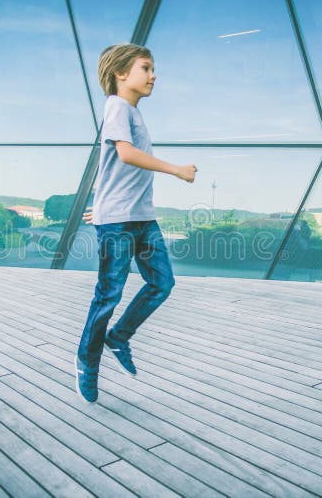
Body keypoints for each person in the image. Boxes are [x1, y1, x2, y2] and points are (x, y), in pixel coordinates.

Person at [75, 44, 197, 404]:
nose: (153, 75)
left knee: (162, 283)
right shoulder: (116, 106)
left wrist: (103, 205)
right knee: (108, 295)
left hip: (140, 219)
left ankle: (119, 337)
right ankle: (87, 361)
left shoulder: (132, 113)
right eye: (146, 67)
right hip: (121, 224)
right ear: (121, 74)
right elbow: (125, 154)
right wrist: (176, 169)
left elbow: (112, 168)